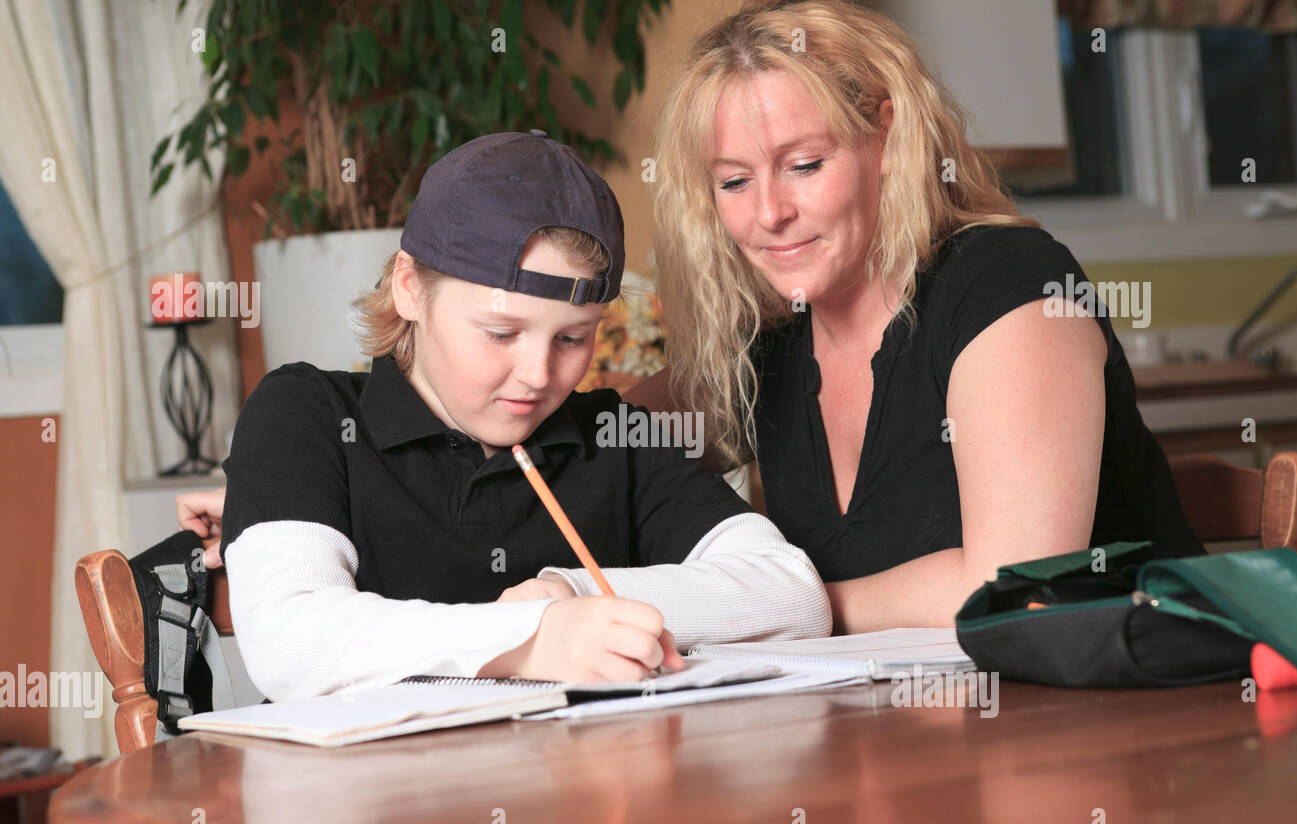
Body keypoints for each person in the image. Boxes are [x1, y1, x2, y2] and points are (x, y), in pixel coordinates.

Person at [182, 0, 1202, 637]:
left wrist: (797, 600)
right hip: (892, 732)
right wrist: (299, 486)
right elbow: (578, 435)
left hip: (1111, 723)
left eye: (805, 164)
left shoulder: (1005, 281)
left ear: (885, 136)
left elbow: (1014, 582)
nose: (769, 213)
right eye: (733, 179)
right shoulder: (765, 338)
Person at [206, 130, 830, 701]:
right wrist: (532, 637)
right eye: (501, 333)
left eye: (572, 339)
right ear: (409, 289)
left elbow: (795, 597)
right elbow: (293, 643)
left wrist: (575, 594)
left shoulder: (610, 437)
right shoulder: (306, 415)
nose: (539, 376)